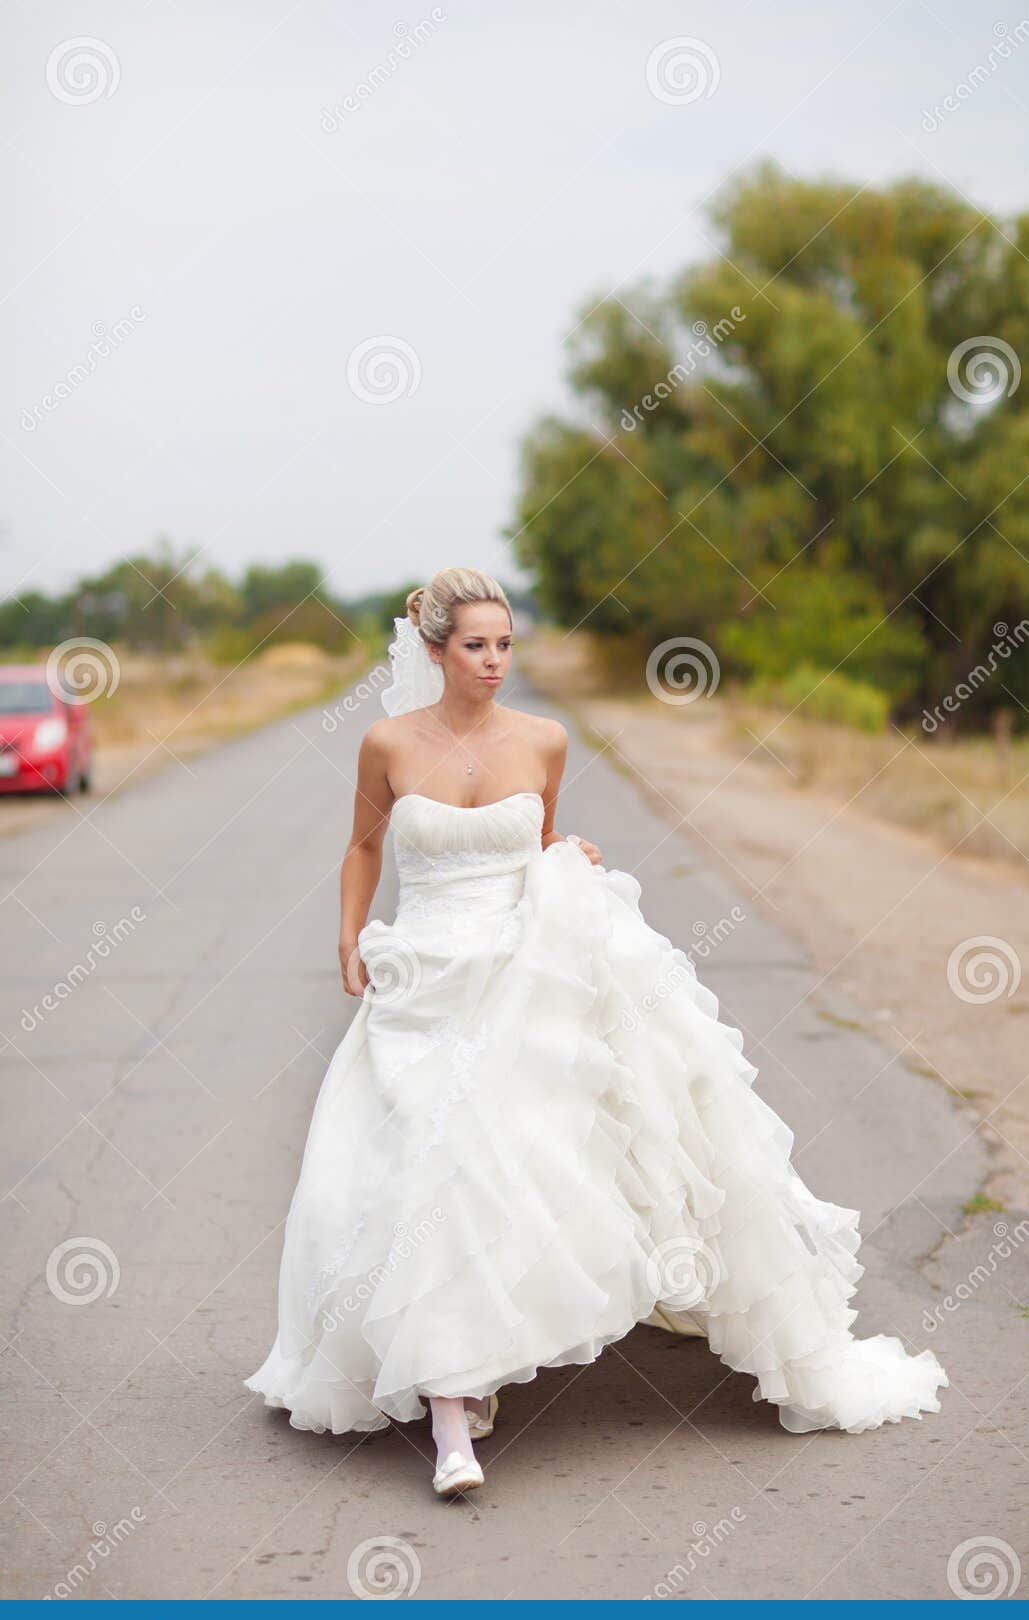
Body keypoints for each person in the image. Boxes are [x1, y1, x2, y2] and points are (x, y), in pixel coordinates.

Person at [244, 567, 948, 1499]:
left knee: (490, 1171)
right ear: (434, 650)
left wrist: (564, 854)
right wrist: (348, 937)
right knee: (417, 1170)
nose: (494, 661)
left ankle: (464, 1388)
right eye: (474, 646)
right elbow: (366, 846)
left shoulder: (544, 739)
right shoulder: (386, 743)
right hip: (421, 979)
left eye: (504, 644)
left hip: (520, 977)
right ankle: (454, 1392)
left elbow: (535, 842)